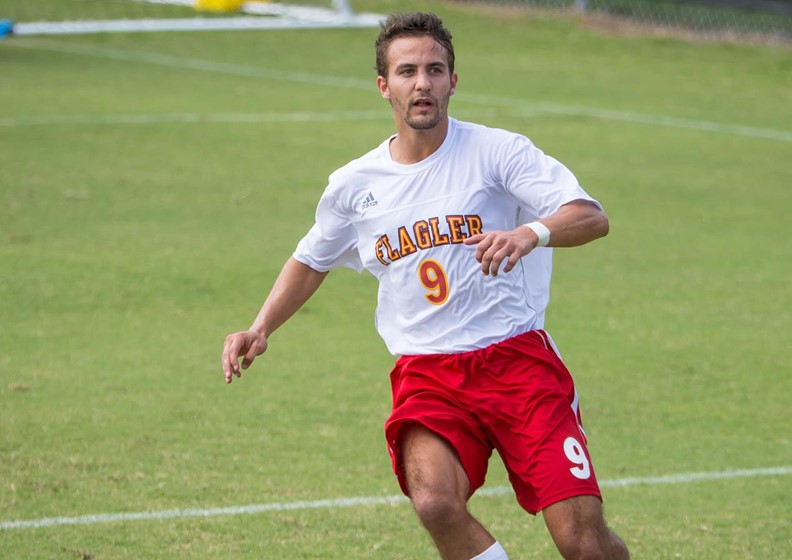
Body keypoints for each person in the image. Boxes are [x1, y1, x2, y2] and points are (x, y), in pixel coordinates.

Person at [221, 12, 630, 560]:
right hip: (428, 373)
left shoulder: (497, 152)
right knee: (435, 502)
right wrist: (260, 326)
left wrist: (530, 233)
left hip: (519, 365)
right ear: (383, 85)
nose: (422, 83)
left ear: (453, 82)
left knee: (585, 546)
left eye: (435, 70)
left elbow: (590, 216)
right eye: (408, 71)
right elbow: (311, 257)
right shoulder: (354, 185)